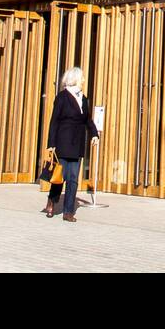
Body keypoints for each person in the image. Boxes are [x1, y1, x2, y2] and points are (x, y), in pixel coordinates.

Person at [42, 66, 99, 223]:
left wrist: (94, 133)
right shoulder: (62, 97)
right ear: (75, 78)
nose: (84, 80)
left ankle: (68, 212)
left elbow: (87, 119)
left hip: (78, 142)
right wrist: (51, 143)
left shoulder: (84, 98)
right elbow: (55, 121)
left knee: (73, 179)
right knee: (60, 176)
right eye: (82, 77)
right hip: (63, 141)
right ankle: (51, 202)